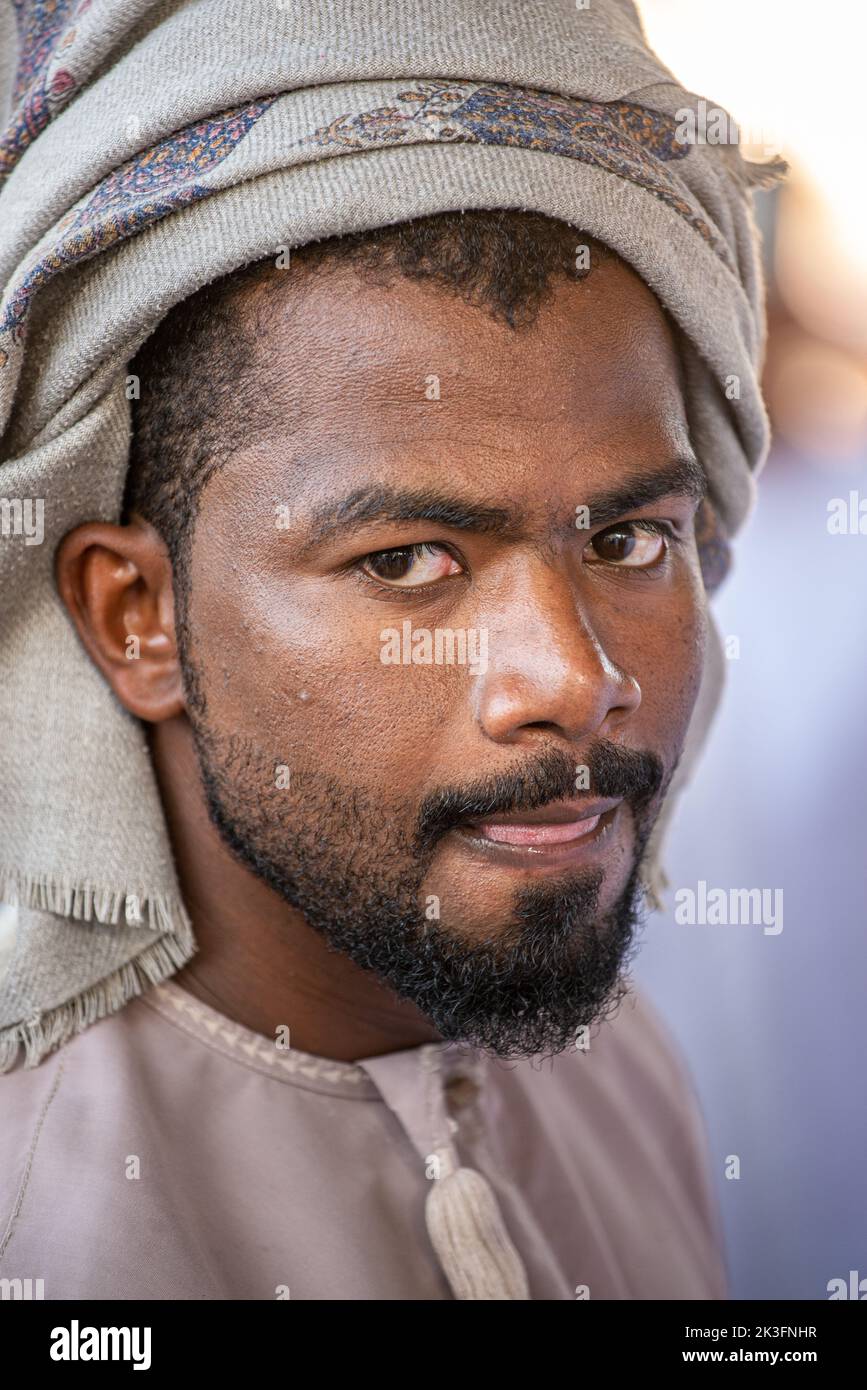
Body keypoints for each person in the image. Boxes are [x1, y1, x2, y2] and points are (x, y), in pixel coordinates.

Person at [0, 0, 782, 1300]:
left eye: (633, 539)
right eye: (410, 560)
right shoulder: (43, 1233)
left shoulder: (620, 1061)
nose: (577, 680)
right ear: (136, 615)